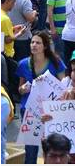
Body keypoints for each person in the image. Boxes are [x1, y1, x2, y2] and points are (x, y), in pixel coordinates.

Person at [16, 31, 67, 163]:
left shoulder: (56, 62)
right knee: (31, 148)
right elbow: (19, 89)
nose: (33, 45)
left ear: (45, 46)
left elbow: (64, 86)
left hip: (50, 111)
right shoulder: (23, 64)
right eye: (32, 42)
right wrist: (23, 89)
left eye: (38, 43)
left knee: (50, 147)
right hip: (29, 111)